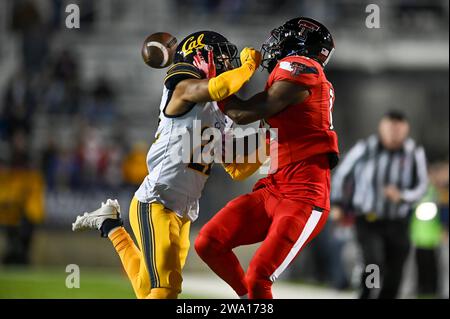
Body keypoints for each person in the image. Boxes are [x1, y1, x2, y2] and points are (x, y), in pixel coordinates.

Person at [72, 30, 262, 299]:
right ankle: (111, 225)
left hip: (182, 211)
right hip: (156, 201)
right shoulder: (182, 85)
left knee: (149, 288)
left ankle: (111, 226)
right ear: (200, 57)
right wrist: (249, 66)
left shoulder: (217, 111)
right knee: (164, 290)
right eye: (220, 56)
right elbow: (220, 86)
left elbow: (237, 168)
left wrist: (270, 139)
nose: (227, 62)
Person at [194, 17, 339, 299]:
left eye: (282, 37)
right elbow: (264, 132)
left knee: (260, 275)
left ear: (300, 43)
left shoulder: (301, 66)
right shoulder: (298, 80)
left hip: (303, 196)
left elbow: (243, 112)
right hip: (274, 187)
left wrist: (216, 84)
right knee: (209, 242)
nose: (274, 44)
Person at [331, 110, 428, 298]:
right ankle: (366, 293)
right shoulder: (366, 148)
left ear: (406, 130)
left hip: (398, 221)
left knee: (395, 269)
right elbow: (342, 175)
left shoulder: (414, 153)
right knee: (373, 262)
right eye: (390, 127)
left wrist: (403, 196)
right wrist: (337, 203)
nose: (394, 133)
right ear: (381, 127)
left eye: (398, 129)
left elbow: (422, 186)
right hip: (368, 219)